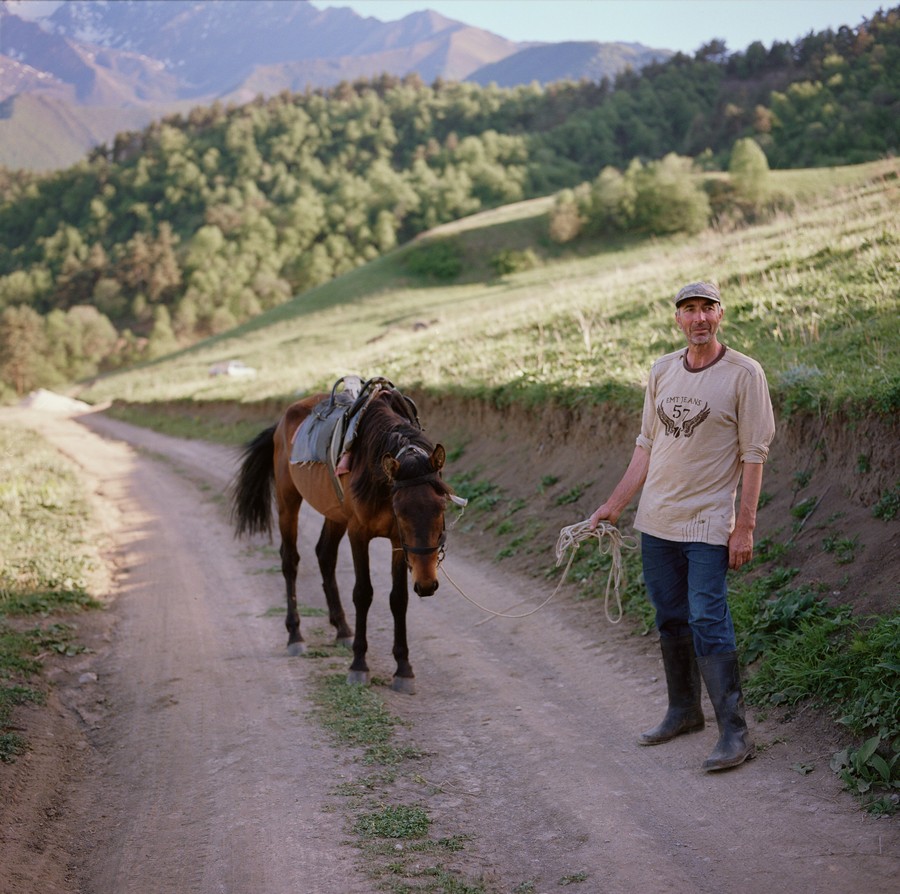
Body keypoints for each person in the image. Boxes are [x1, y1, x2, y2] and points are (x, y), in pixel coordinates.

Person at [589, 281, 775, 771]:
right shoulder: (662, 370)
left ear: (721, 315)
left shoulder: (744, 374)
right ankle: (684, 711)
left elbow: (754, 454)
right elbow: (646, 446)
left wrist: (745, 526)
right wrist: (614, 504)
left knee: (708, 618)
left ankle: (735, 734)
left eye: (707, 309)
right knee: (669, 616)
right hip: (657, 522)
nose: (698, 319)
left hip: (709, 523)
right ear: (677, 319)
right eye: (689, 310)